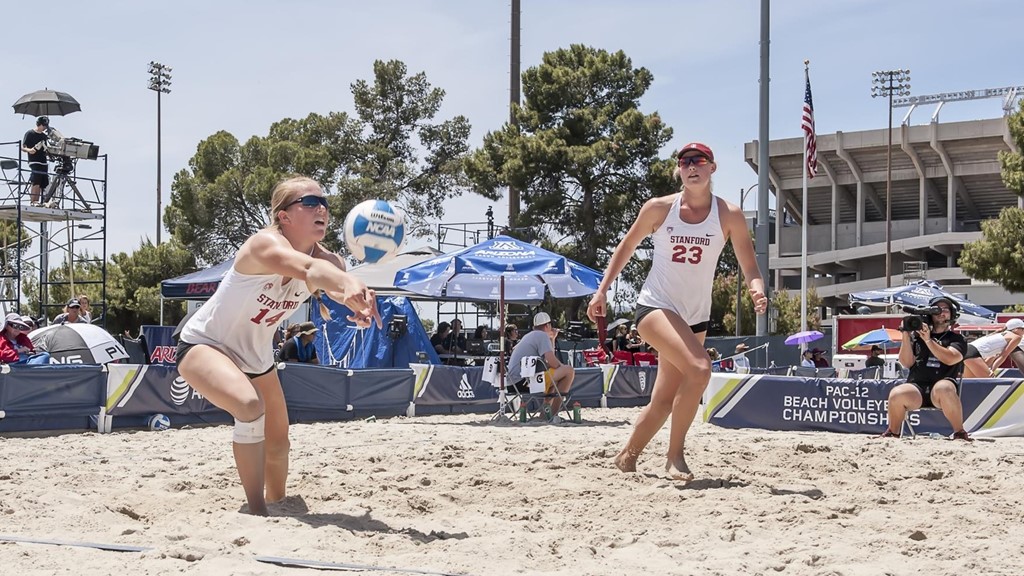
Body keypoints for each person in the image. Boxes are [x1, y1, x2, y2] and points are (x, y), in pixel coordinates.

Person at [175, 175, 380, 515]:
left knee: (279, 440)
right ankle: (256, 512)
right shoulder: (263, 246)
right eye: (311, 203)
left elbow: (331, 282)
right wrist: (347, 284)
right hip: (205, 343)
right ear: (284, 216)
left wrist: (356, 302)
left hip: (255, 356)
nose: (322, 210)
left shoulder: (333, 262)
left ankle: (278, 502)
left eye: (325, 203)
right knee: (248, 406)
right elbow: (308, 269)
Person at [587, 141, 767, 481]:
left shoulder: (729, 214)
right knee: (700, 369)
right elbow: (626, 246)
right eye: (685, 161)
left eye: (699, 160)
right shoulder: (659, 208)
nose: (691, 166)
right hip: (655, 306)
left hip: (694, 316)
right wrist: (602, 290)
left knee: (664, 399)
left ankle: (627, 457)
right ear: (679, 170)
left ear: (712, 168)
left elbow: (750, 267)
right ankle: (674, 457)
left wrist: (757, 290)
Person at [880, 296, 971, 440]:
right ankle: (893, 432)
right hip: (918, 387)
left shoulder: (956, 339)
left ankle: (959, 432)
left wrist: (928, 340)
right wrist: (905, 334)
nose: (941, 312)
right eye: (937, 310)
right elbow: (906, 363)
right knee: (897, 393)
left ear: (952, 314)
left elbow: (950, 358)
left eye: (945, 309)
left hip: (942, 389)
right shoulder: (917, 337)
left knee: (944, 388)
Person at [507, 312, 575, 421]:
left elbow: (549, 361)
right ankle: (553, 414)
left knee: (555, 380)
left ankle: (545, 414)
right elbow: (552, 361)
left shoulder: (529, 336)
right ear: (547, 326)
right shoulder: (542, 335)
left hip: (513, 382)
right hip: (523, 381)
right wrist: (563, 368)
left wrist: (552, 339)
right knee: (569, 371)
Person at [21, 116, 50, 206]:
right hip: (34, 160)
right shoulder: (30, 133)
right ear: (39, 125)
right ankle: (34, 201)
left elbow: (46, 148)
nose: (45, 128)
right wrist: (30, 150)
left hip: (43, 161)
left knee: (44, 181)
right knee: (36, 179)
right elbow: (23, 147)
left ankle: (42, 202)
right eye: (44, 126)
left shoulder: (44, 136)